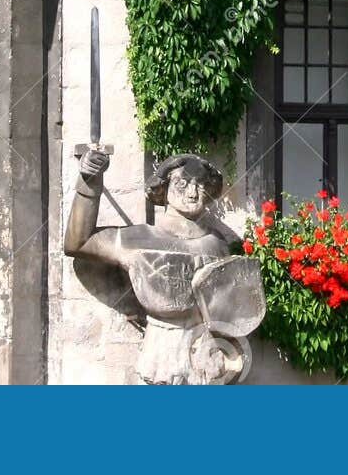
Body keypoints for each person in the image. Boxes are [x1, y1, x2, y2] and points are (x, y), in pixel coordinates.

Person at [63, 147, 263, 384]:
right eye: (182, 184)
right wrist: (90, 182)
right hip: (162, 352)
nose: (192, 192)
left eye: (200, 185)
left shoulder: (216, 244)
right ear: (164, 187)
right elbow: (78, 242)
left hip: (207, 355)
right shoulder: (139, 239)